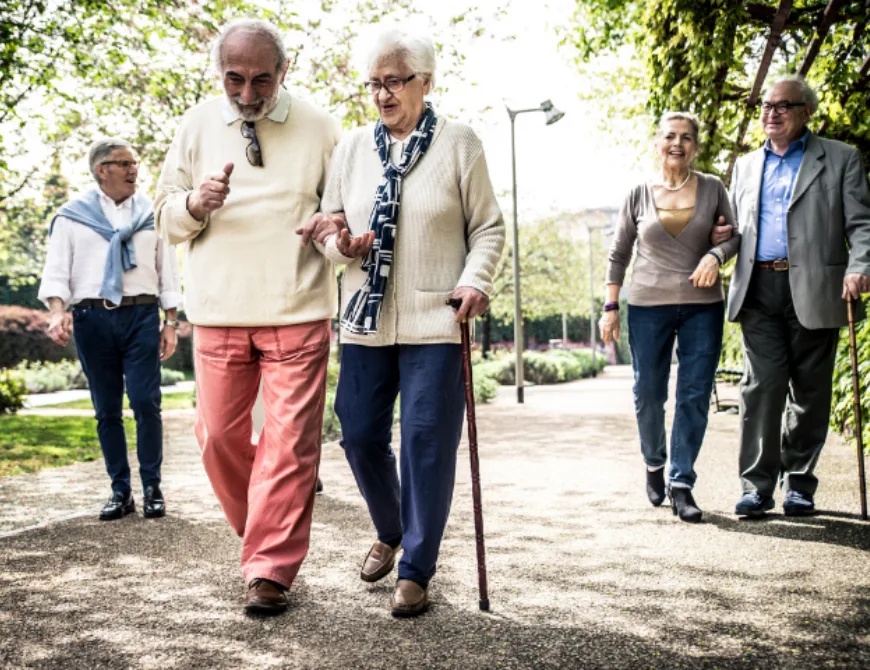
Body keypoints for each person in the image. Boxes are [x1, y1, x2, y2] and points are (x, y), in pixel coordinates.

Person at [310, 28, 504, 616]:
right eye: (374, 82)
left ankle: (416, 567)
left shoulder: (459, 144)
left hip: (434, 317)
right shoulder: (352, 150)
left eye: (395, 81)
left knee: (425, 442)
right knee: (361, 432)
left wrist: (475, 279)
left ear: (426, 82)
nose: (383, 94)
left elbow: (488, 228)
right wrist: (342, 245)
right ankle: (391, 528)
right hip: (366, 318)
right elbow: (329, 225)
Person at [153, 18, 341, 615]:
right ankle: (264, 531)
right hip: (218, 310)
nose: (248, 93)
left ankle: (269, 568)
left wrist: (332, 230)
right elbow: (163, 217)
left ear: (284, 72)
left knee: (290, 447)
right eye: (235, 79)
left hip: (297, 307)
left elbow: (341, 216)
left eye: (262, 79)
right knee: (216, 439)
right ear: (220, 73)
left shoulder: (320, 128)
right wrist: (193, 204)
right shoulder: (195, 124)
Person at [723, 76, 870, 518]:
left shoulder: (841, 158)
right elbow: (733, 228)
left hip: (818, 287)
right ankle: (756, 486)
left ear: (807, 111)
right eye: (767, 106)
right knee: (762, 386)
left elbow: (861, 223)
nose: (772, 113)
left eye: (783, 106)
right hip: (758, 287)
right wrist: (716, 246)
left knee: (810, 391)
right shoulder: (746, 166)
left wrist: (860, 265)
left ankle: (799, 484)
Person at [601, 111, 740, 524]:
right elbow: (619, 253)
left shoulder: (714, 188)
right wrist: (610, 307)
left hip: (703, 305)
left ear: (696, 145)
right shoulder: (639, 193)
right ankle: (654, 463)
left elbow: (733, 235)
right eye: (670, 136)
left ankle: (682, 483)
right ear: (658, 143)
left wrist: (716, 254)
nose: (677, 143)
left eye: (686, 137)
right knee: (648, 393)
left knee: (695, 394)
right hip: (647, 305)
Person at [38, 138, 181, 521]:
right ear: (103, 169)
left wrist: (171, 323)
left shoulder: (154, 213)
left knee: (146, 402)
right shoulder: (71, 216)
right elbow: (57, 272)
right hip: (92, 319)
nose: (135, 169)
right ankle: (121, 490)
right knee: (106, 410)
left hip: (142, 316)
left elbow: (168, 271)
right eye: (125, 163)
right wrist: (56, 311)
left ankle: (152, 487)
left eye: (135, 162)